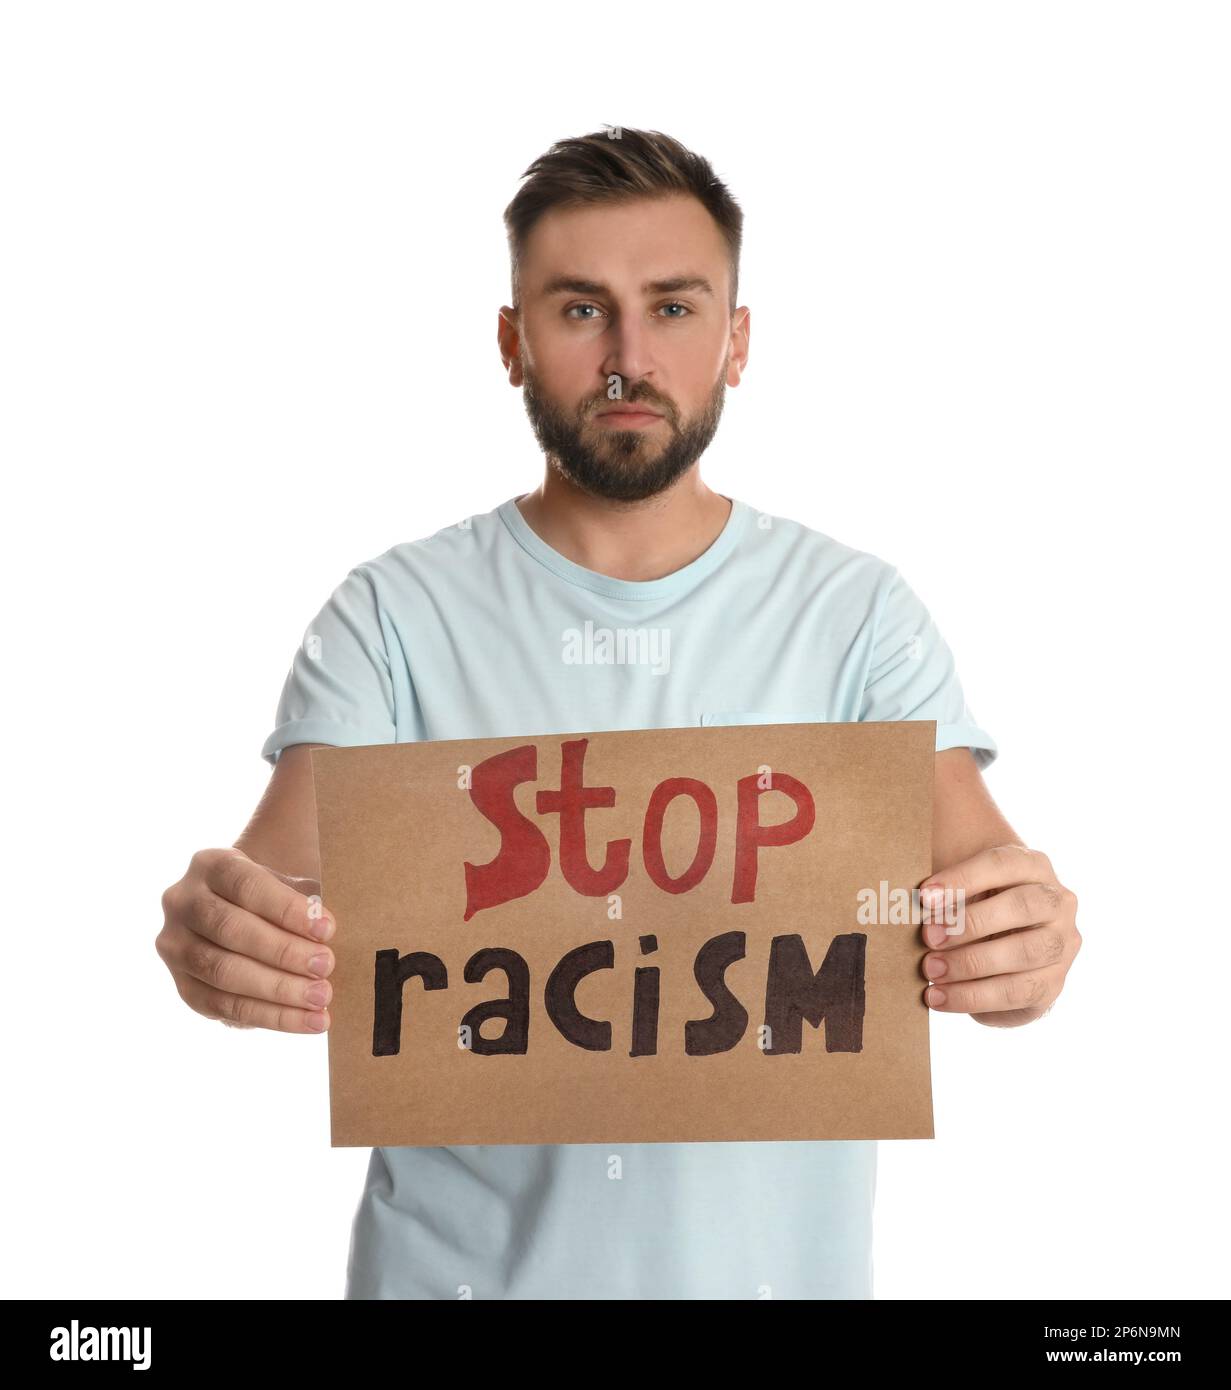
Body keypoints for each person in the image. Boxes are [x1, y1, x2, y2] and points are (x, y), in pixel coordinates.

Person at [156, 128, 1081, 1299]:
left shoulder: (855, 617)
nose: (628, 359)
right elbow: (283, 895)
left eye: (675, 308)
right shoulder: (393, 614)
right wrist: (224, 935)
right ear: (512, 342)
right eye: (582, 309)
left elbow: (985, 902)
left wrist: (1024, 944)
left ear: (737, 340)